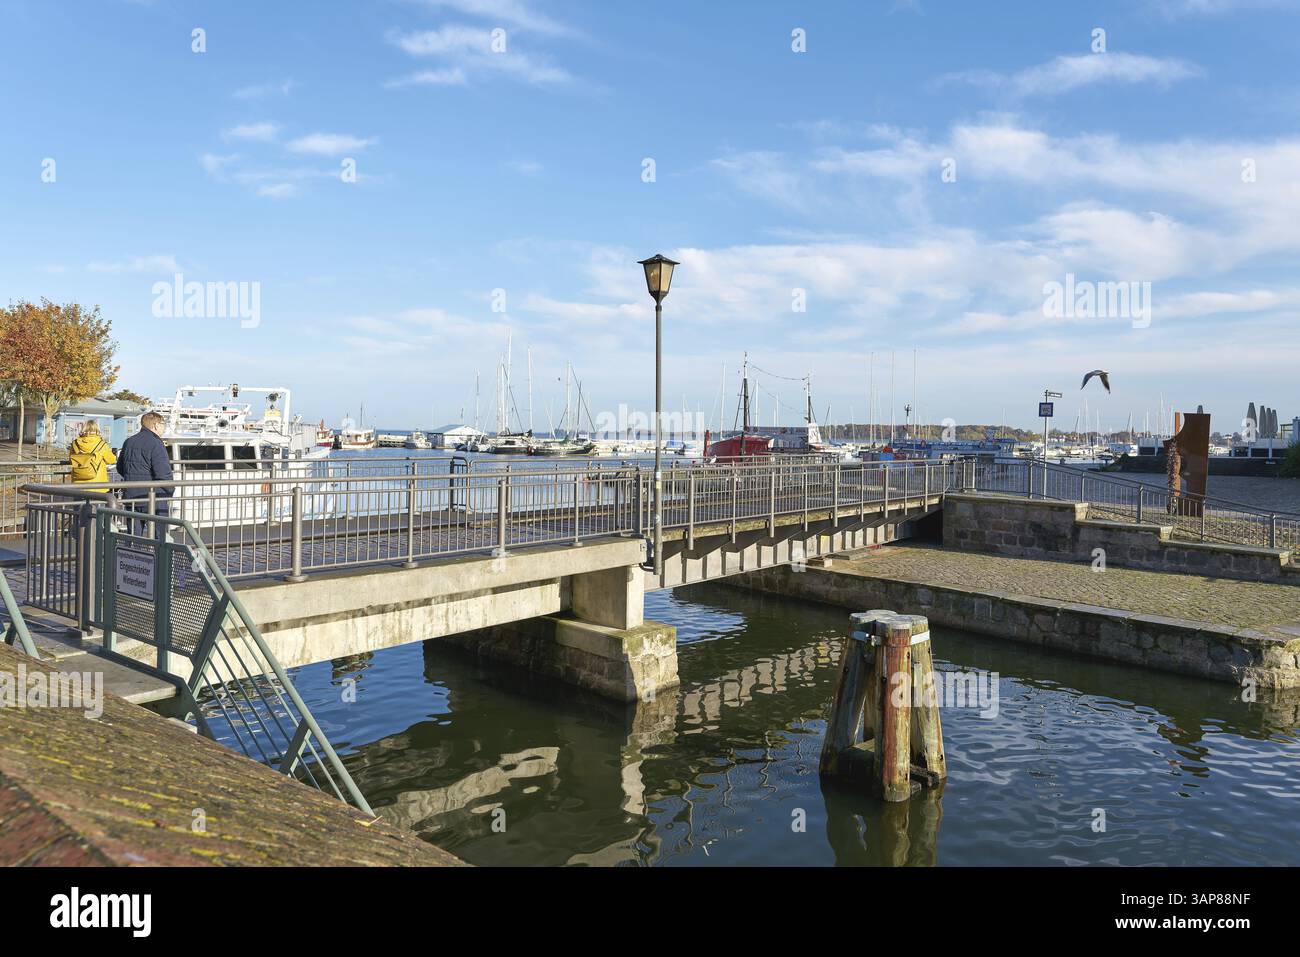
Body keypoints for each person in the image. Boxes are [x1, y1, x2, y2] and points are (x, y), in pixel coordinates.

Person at [116, 411, 174, 535]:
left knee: (134, 537)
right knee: (160, 537)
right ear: (156, 425)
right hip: (153, 498)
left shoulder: (129, 441)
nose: (164, 427)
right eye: (163, 424)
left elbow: (120, 467)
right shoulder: (156, 444)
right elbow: (164, 474)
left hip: (131, 496)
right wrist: (170, 491)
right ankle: (158, 555)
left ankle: (132, 554)